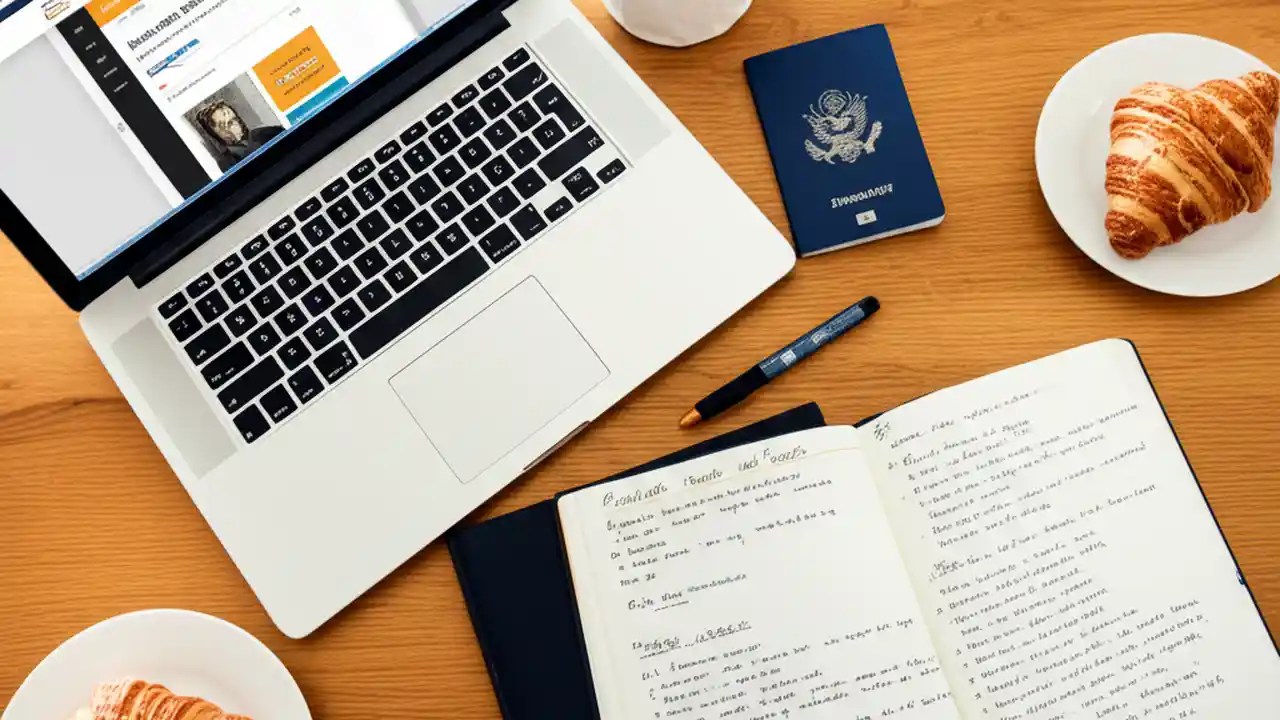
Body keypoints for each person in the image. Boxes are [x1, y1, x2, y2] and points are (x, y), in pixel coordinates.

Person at [194, 100, 285, 171]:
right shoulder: (226, 163)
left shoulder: (265, 133)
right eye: (223, 125)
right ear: (214, 133)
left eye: (234, 119)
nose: (233, 127)